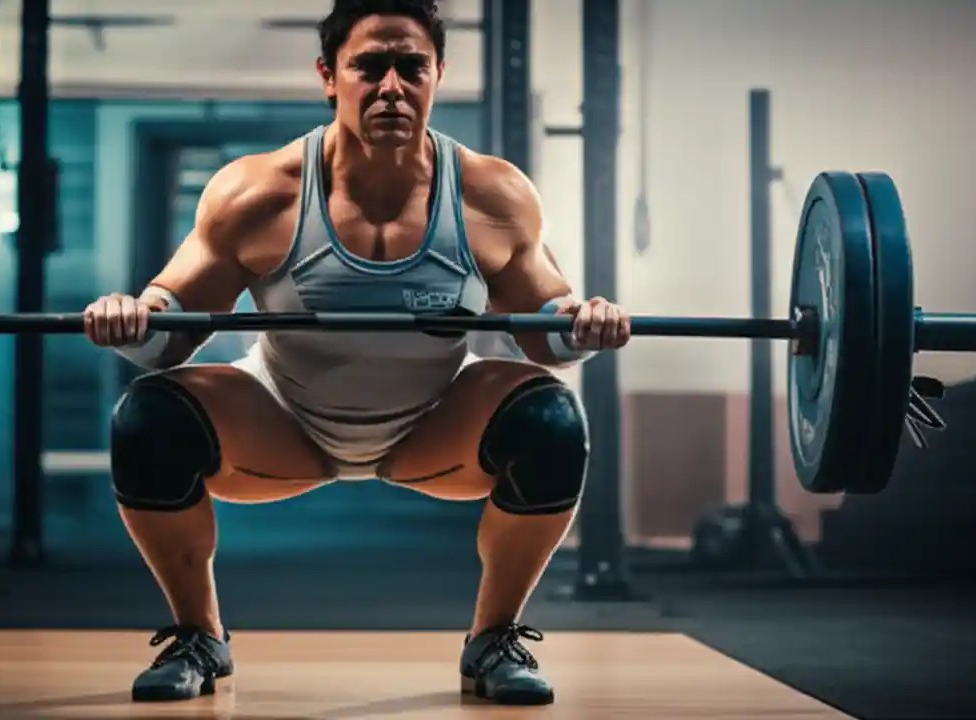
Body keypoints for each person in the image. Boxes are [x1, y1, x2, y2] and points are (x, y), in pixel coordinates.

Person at [83, 0, 631, 707]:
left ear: (438, 75)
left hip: (433, 428)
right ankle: (200, 636)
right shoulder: (260, 192)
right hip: (283, 427)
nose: (392, 87)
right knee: (147, 418)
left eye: (412, 67)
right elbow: (171, 333)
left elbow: (547, 332)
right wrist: (134, 316)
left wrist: (585, 322)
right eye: (370, 67)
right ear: (329, 75)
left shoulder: (493, 196)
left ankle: (493, 638)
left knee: (552, 421)